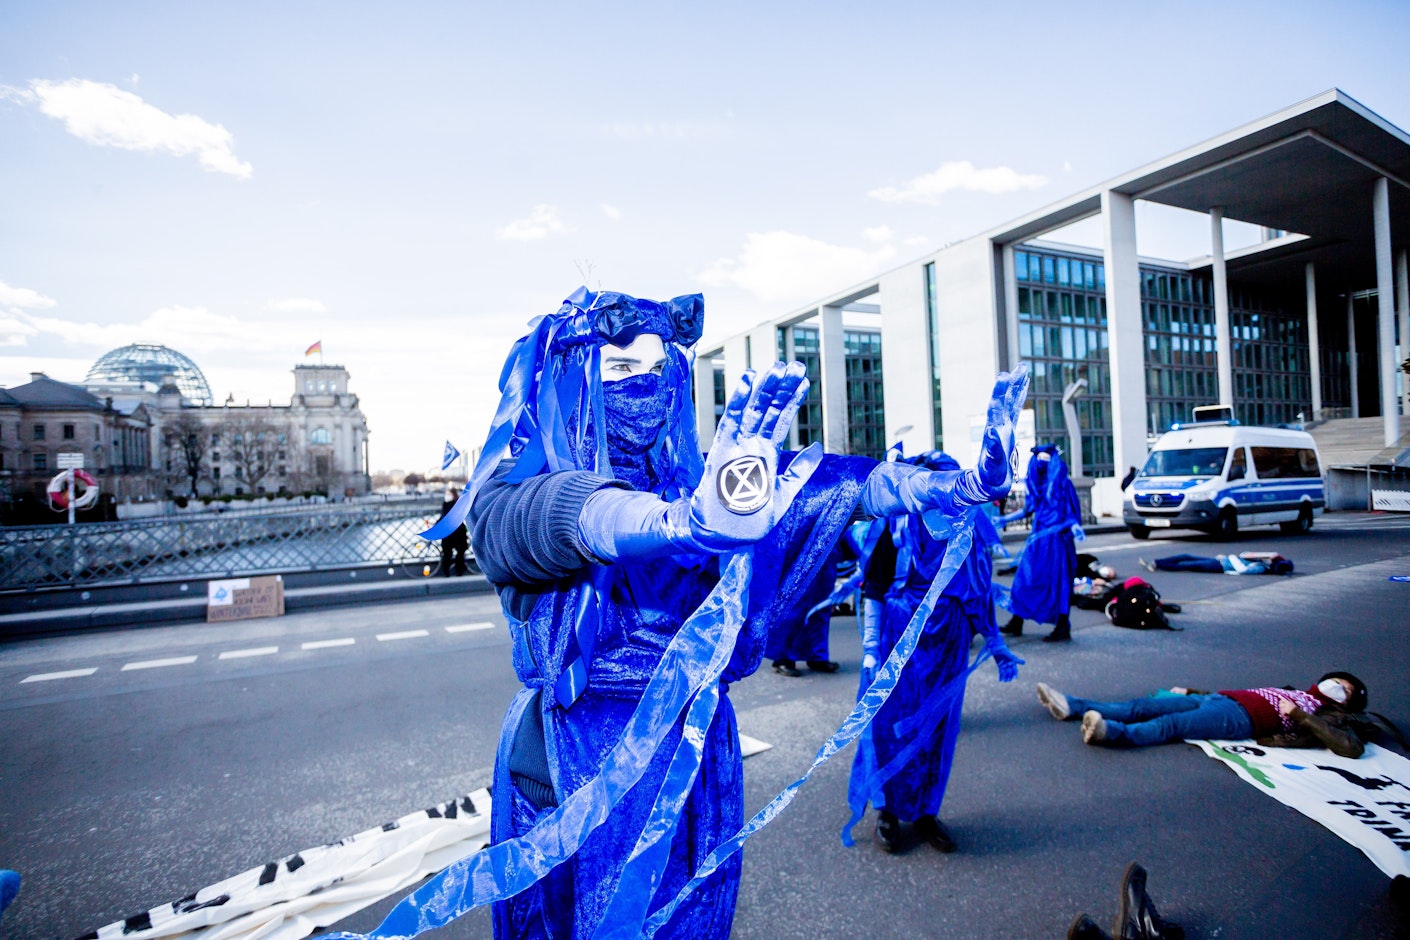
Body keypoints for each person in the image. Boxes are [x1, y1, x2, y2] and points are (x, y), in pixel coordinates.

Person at [373, 288, 1030, 940]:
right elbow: (569, 515)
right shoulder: (515, 492)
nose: (645, 385)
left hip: (693, 755)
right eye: (621, 369)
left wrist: (947, 486)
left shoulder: (696, 481)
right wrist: (679, 525)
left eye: (657, 368)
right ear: (572, 380)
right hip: (581, 764)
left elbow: (827, 489)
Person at [852, 451, 1023, 854]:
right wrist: (872, 649)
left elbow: (978, 591)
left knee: (937, 732)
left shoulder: (965, 530)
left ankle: (926, 810)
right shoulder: (895, 527)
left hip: (948, 643)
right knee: (891, 726)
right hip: (899, 640)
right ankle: (888, 811)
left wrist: (997, 644)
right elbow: (874, 587)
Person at [1034, 673, 1367, 755]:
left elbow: (1351, 747)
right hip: (1218, 700)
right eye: (1339, 681)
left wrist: (1301, 717)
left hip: (1241, 720)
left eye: (1347, 691)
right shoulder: (1297, 690)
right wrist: (1193, 692)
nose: (1340, 687)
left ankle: (1111, 732)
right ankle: (1072, 706)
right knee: (1142, 706)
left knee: (1171, 725)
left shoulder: (1327, 714)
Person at [1000, 444, 1084, 642]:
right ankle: (1017, 619)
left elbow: (1071, 513)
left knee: (1058, 583)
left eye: (1045, 460)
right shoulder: (1037, 485)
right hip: (1038, 542)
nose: (1041, 464)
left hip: (1057, 543)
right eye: (1039, 460)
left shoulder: (1063, 485)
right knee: (1025, 579)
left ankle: (1063, 625)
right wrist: (1003, 520)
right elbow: (1028, 509)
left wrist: (1075, 527)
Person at [768, 544, 842, 676]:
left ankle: (817, 656)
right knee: (792, 609)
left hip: (827, 555)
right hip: (800, 552)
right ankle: (783, 659)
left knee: (821, 609)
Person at [1140, 551, 1292, 576]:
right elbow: (1245, 555)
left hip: (1220, 566)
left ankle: (1158, 565)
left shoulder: (1260, 568)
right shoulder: (1261, 561)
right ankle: (1157, 562)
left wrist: (1231, 557)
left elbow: (1241, 569)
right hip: (1220, 560)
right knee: (1186, 556)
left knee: (1186, 564)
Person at [438, 485, 470, 576]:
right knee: (456, 552)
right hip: (457, 531)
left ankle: (448, 572)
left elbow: (444, 517)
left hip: (452, 532)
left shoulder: (449, 504)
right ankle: (457, 571)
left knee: (450, 553)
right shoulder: (455, 503)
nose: (447, 496)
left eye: (448, 494)